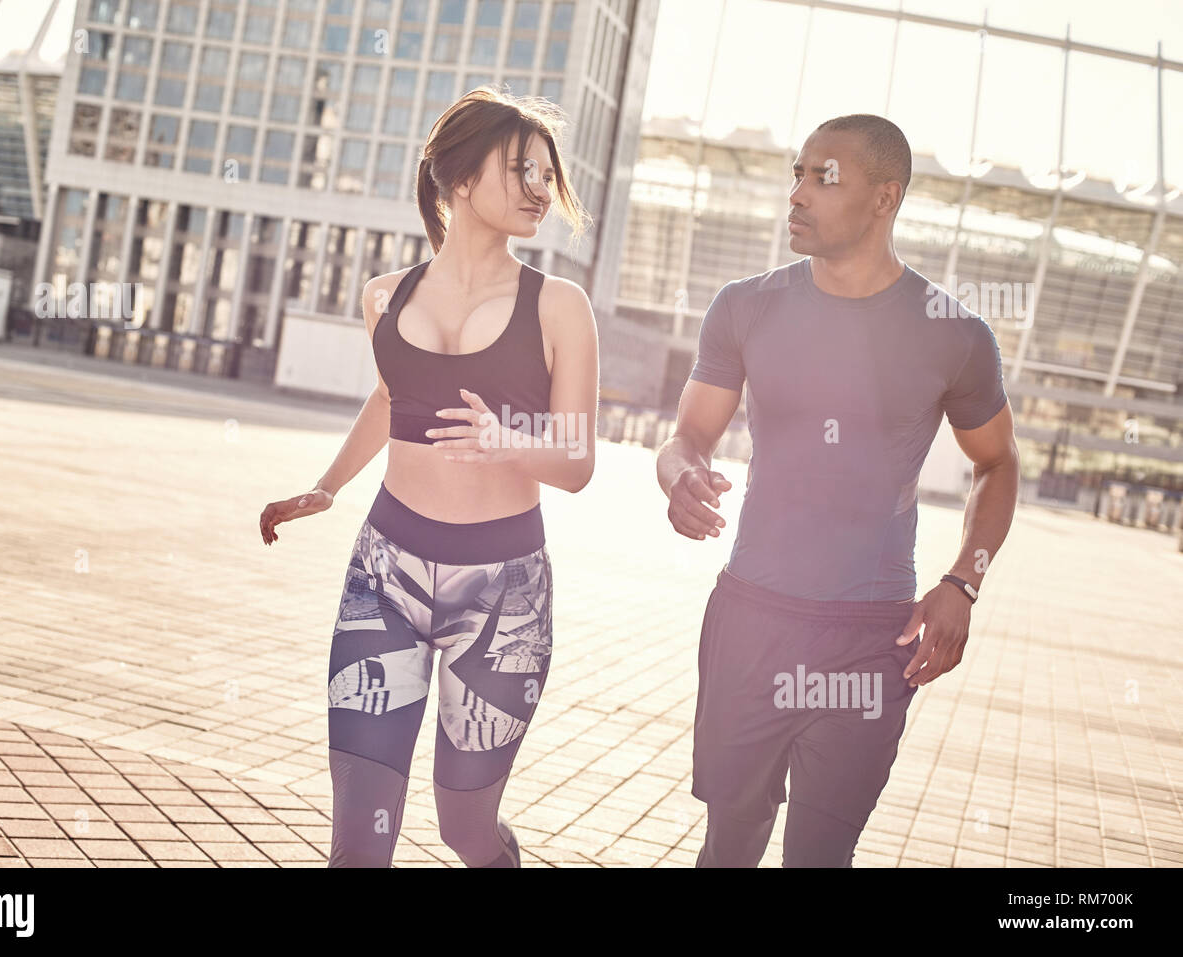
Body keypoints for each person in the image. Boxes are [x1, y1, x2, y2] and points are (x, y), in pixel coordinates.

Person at [656, 114, 1021, 867]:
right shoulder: (745, 306)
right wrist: (679, 475)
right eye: (795, 173)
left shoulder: (953, 333)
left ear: (885, 197)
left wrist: (964, 583)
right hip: (751, 616)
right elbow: (686, 436)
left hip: (870, 635)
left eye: (822, 177)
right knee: (729, 840)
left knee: (821, 853)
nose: (796, 193)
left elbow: (998, 462)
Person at [259, 88, 599, 868]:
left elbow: (577, 463)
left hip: (504, 595)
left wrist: (505, 440)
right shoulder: (386, 296)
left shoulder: (559, 307)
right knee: (359, 841)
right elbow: (389, 395)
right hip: (384, 573)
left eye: (548, 174)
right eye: (521, 170)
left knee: (465, 831)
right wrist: (330, 483)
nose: (541, 189)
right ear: (458, 177)